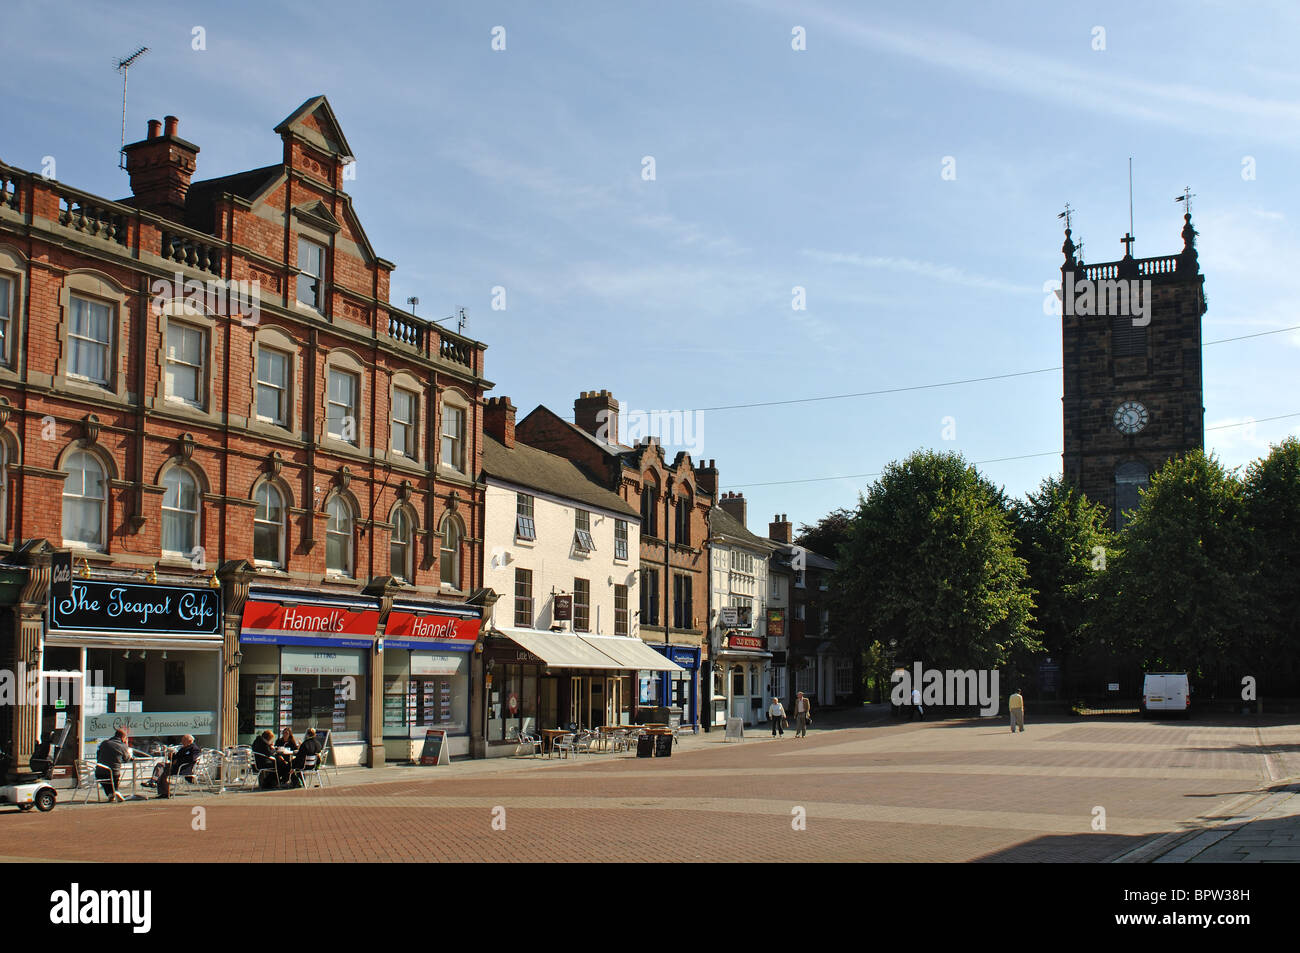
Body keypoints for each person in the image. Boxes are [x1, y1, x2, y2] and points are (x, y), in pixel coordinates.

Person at [154, 734, 201, 799]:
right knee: (160, 765)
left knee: (162, 771)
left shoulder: (194, 749)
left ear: (190, 741)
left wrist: (178, 760)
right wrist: (171, 755)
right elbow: (174, 758)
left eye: (184, 741)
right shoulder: (183, 748)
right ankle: (155, 782)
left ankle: (158, 786)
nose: (182, 742)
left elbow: (191, 759)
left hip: (183, 768)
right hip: (175, 766)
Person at [95, 729, 133, 802]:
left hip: (99, 773)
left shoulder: (104, 743)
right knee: (114, 776)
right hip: (113, 773)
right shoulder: (122, 746)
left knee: (107, 783)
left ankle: (111, 794)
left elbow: (98, 756)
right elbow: (126, 759)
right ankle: (115, 792)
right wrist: (126, 745)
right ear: (123, 738)